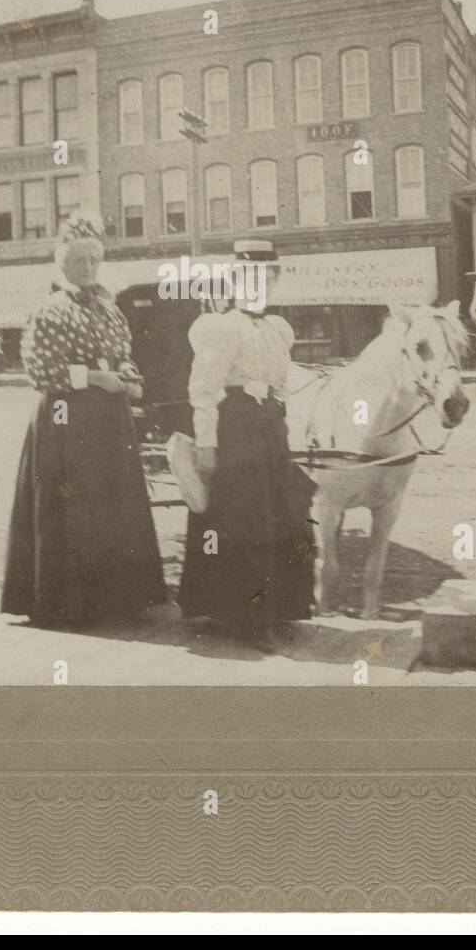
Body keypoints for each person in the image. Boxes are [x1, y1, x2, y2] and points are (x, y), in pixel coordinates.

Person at [1, 215, 166, 628]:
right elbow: (40, 371)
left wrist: (128, 375)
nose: (88, 268)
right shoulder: (48, 310)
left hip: (110, 420)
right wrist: (95, 378)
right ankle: (70, 603)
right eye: (79, 261)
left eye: (93, 259)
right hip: (66, 422)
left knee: (111, 502)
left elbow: (124, 353)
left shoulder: (111, 309)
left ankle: (116, 598)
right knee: (74, 507)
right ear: (63, 265)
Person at [179, 240, 316, 651]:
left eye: (268, 277)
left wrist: (282, 422)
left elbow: (283, 386)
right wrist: (206, 444)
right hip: (236, 427)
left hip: (270, 427)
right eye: (251, 278)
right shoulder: (224, 327)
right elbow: (203, 388)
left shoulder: (277, 329)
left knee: (284, 511)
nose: (260, 285)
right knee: (246, 521)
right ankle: (244, 619)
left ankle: (278, 608)